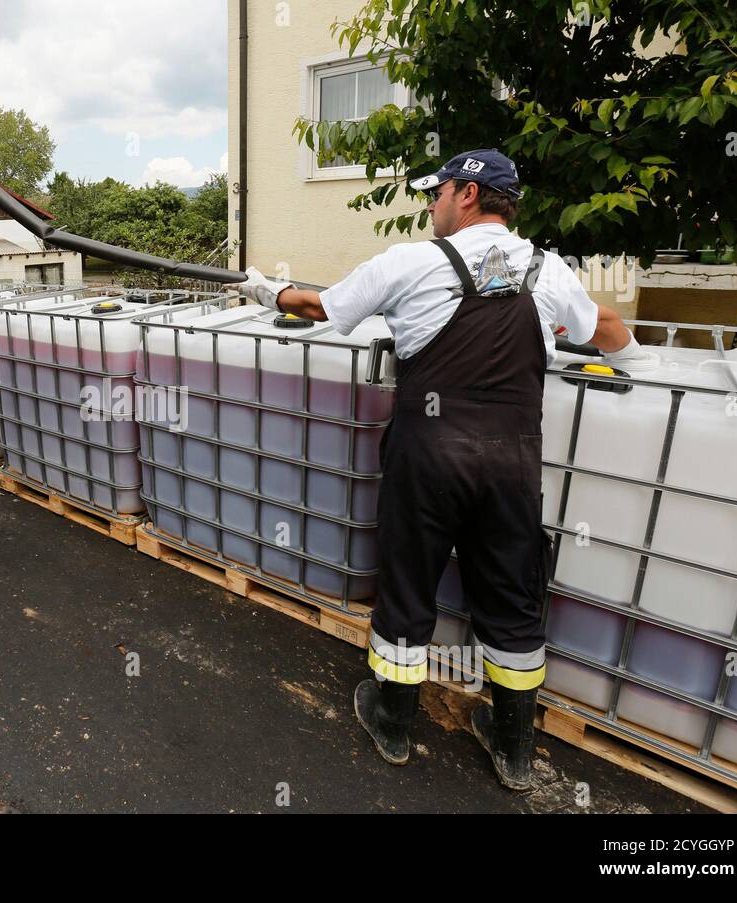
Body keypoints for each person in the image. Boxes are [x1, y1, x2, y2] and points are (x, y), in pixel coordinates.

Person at [230, 149, 657, 790]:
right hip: (512, 463)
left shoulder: (412, 261)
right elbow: (610, 330)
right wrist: (642, 368)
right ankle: (512, 749)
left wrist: (268, 289)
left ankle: (394, 723)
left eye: (437, 193)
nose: (430, 204)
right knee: (513, 595)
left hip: (427, 455)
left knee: (409, 584)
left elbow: (322, 307)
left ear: (466, 192)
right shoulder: (547, 271)